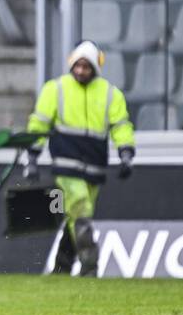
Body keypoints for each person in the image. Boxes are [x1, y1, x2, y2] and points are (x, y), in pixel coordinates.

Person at [23, 40, 135, 276]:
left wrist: (126, 153)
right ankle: (90, 265)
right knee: (81, 209)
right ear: (71, 64)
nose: (81, 71)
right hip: (65, 164)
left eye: (86, 66)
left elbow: (120, 126)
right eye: (78, 66)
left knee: (76, 217)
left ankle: (62, 267)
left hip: (95, 167)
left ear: (95, 67)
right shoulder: (55, 89)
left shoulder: (110, 94)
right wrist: (32, 157)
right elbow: (39, 124)